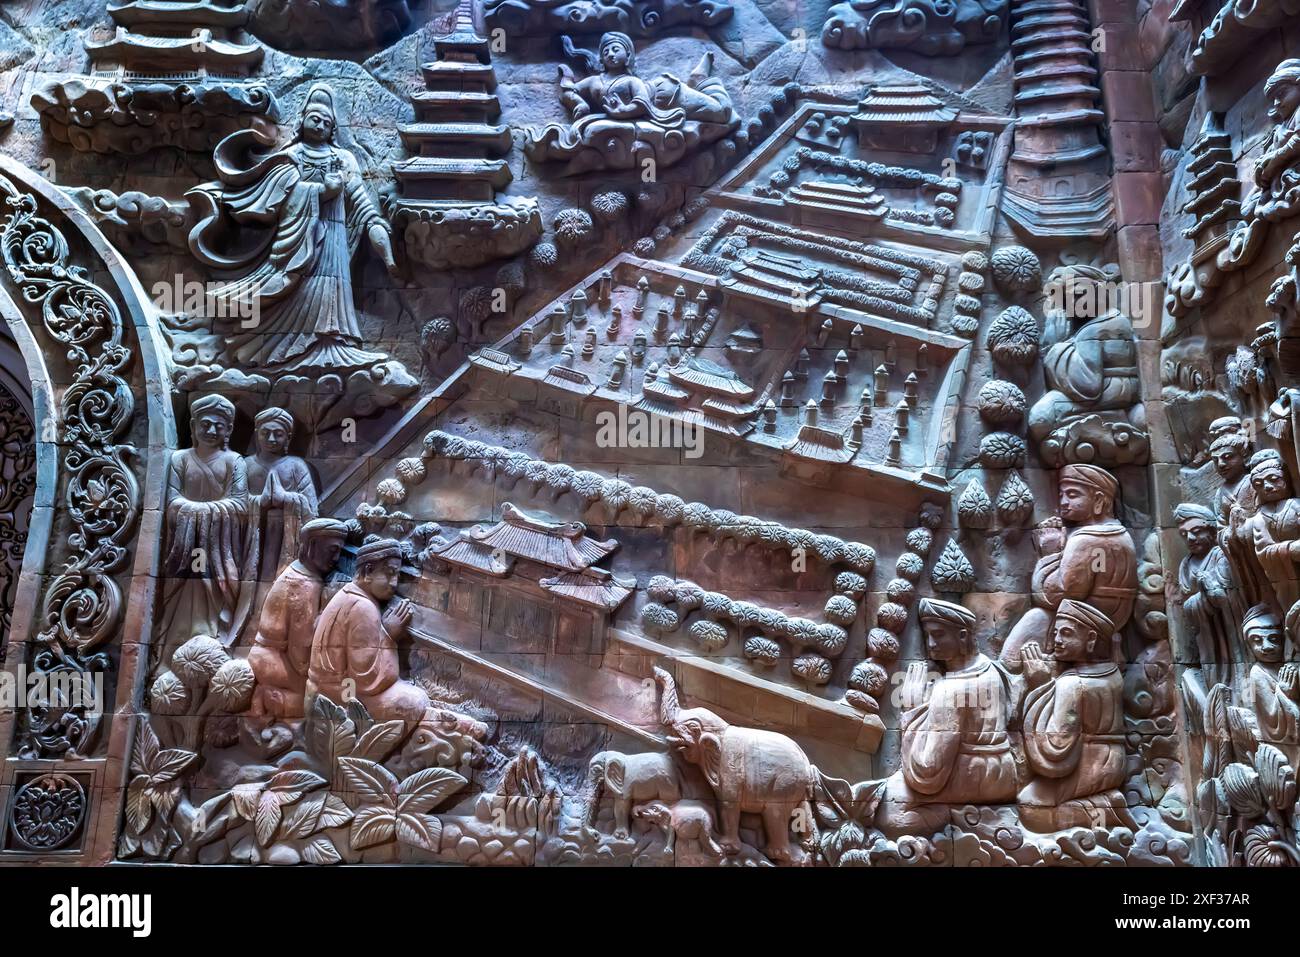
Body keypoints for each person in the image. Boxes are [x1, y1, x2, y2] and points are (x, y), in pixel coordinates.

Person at [188, 83, 400, 376]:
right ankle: (288, 346)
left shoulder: (343, 159)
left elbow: (361, 203)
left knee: (331, 290)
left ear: (334, 128)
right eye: (315, 118)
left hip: (333, 241)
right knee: (295, 290)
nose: (321, 125)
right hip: (298, 239)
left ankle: (332, 343)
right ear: (301, 121)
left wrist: (383, 244)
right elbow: (279, 197)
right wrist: (319, 192)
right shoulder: (292, 156)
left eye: (327, 122)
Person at [876, 598, 1020, 834]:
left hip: (975, 777)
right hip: (1002, 771)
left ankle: (954, 818)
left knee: (887, 810)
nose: (931, 644)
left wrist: (912, 711)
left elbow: (927, 772)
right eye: (927, 636)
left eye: (939, 634)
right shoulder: (991, 668)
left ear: (963, 636)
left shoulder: (950, 690)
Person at [1000, 464, 1137, 671]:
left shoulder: (1085, 540)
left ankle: (1014, 678)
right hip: (1110, 621)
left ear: (1099, 500)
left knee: (1024, 636)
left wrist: (1050, 552)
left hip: (1079, 625)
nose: (1063, 502)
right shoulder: (1121, 535)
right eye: (1062, 495)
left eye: (1073, 495)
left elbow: (1055, 595)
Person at [1018, 599, 1134, 831]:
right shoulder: (1111, 672)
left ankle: (1106, 810)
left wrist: (1039, 686)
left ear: (1091, 639)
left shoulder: (1072, 684)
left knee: (1030, 806)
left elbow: (1056, 744)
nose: (1056, 641)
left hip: (1091, 764)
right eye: (1056, 633)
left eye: (1067, 633)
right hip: (1114, 761)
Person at [158, 394, 248, 661]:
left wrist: (199, 511)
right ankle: (172, 649)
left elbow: (240, 505)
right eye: (205, 424)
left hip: (220, 549)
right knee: (182, 595)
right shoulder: (180, 460)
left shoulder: (235, 461)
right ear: (194, 426)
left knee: (215, 595)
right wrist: (201, 511)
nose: (211, 431)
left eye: (219, 426)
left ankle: (212, 644)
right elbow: (171, 502)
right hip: (183, 546)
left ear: (229, 429)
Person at [306, 538, 429, 726]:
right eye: (390, 574)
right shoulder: (363, 607)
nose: (394, 583)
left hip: (322, 690)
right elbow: (367, 681)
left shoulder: (347, 594)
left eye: (398, 576)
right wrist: (388, 635)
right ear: (368, 571)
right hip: (341, 698)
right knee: (414, 701)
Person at [247, 518, 347, 720]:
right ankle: (268, 699)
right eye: (332, 550)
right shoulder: (304, 584)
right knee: (324, 698)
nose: (336, 558)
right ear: (311, 546)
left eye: (339, 552)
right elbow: (300, 657)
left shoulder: (299, 571)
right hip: (273, 660)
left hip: (269, 657)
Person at [1174, 503, 1247, 689]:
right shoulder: (1186, 564)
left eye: (1197, 531)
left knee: (1234, 667)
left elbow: (1225, 597)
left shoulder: (1219, 556)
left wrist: (1209, 590)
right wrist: (1198, 600)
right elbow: (1185, 600)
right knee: (1211, 669)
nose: (1190, 538)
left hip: (1228, 627)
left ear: (1211, 530)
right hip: (1205, 633)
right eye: (1184, 534)